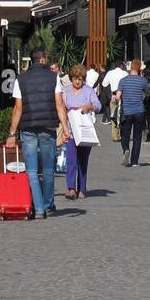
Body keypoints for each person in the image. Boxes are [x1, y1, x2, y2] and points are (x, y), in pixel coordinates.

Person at [6, 45, 71, 219]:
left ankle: (39, 208)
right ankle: (48, 205)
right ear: (42, 59)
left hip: (27, 128)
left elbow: (18, 108)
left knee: (32, 171)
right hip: (48, 128)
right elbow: (59, 104)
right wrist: (66, 129)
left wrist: (12, 134)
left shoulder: (21, 79)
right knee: (49, 169)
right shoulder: (54, 78)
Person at [61, 64, 100, 199]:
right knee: (71, 160)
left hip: (84, 130)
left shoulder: (88, 91)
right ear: (71, 78)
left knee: (82, 161)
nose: (78, 81)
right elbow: (61, 108)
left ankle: (82, 188)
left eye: (80, 79)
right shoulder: (65, 91)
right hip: (71, 130)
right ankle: (71, 188)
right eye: (75, 78)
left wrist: (89, 107)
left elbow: (98, 106)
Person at [113, 60, 150, 167]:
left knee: (125, 135)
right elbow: (148, 93)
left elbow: (117, 97)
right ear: (139, 69)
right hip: (139, 111)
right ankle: (134, 161)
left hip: (127, 112)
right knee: (137, 137)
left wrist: (117, 100)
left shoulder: (123, 81)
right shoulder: (143, 81)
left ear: (130, 68)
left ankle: (125, 149)